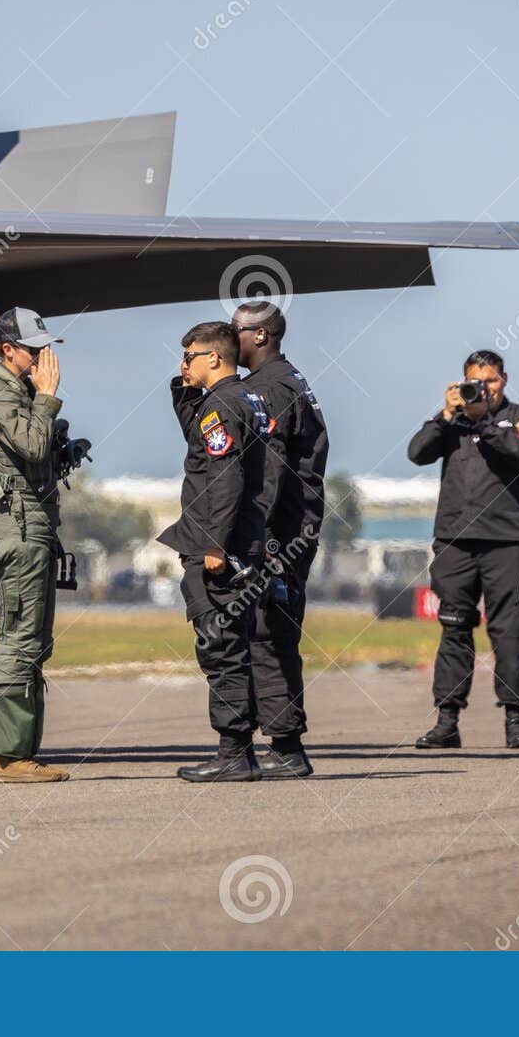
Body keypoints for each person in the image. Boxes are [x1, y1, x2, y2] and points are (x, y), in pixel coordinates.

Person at [407, 350, 519, 750]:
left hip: (506, 542)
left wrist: (484, 418)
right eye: (475, 382)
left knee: (511, 631)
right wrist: (445, 415)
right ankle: (446, 721)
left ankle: (515, 720)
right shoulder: (452, 421)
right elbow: (416, 453)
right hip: (455, 540)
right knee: (453, 627)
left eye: (492, 381)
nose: (483, 388)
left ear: (505, 379)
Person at [158, 321, 270, 782]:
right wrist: (183, 387)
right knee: (230, 647)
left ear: (214, 358)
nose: (183, 365)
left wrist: (214, 545)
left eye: (189, 357)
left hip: (217, 543)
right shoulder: (235, 400)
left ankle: (233, 754)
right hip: (234, 540)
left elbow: (225, 480)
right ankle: (237, 751)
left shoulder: (221, 407)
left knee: (220, 648)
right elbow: (201, 447)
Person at [0, 307, 70, 783]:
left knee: (32, 641)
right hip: (19, 530)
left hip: (31, 526)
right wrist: (48, 400)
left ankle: (19, 752)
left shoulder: (17, 392)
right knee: (19, 640)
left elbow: (37, 452)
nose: (43, 358)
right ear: (8, 350)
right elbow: (29, 445)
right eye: (34, 350)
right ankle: (6, 758)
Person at [231, 301, 328, 779]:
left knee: (268, 634)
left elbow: (268, 473)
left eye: (238, 331)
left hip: (276, 533)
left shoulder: (269, 390)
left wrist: (257, 534)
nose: (231, 341)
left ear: (262, 336)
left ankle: (287, 746)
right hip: (292, 528)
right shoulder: (289, 381)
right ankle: (284, 742)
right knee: (272, 633)